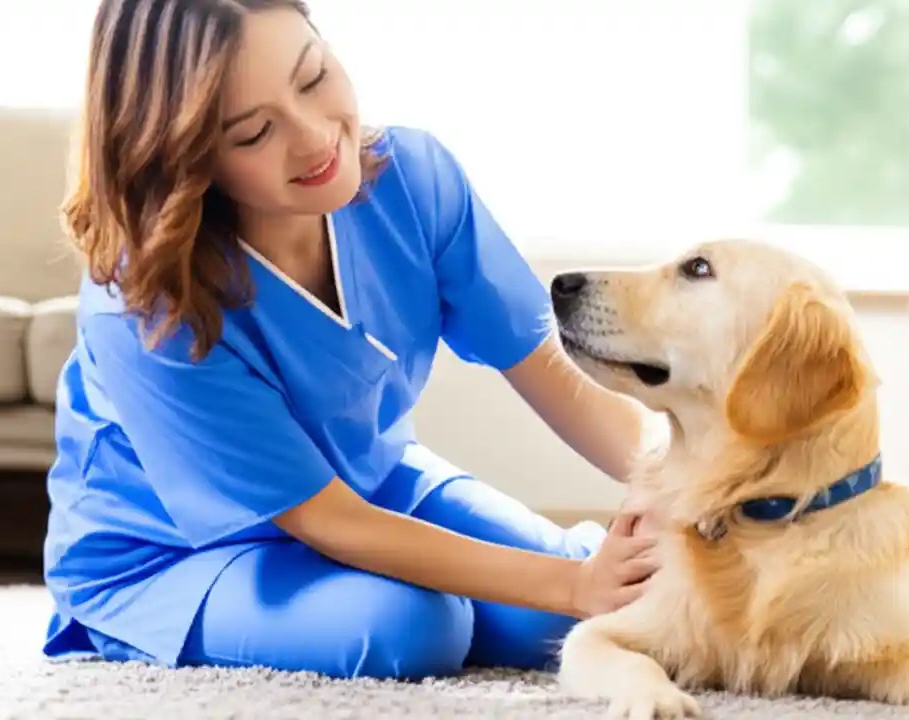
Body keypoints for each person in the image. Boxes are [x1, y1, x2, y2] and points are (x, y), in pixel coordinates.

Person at [42, 0, 665, 680]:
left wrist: (683, 492)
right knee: (415, 627)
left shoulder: (414, 179)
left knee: (603, 608)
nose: (315, 139)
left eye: (313, 77)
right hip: (173, 555)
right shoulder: (144, 306)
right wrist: (571, 585)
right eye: (253, 133)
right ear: (185, 156)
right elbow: (324, 521)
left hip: (374, 487)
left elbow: (546, 364)